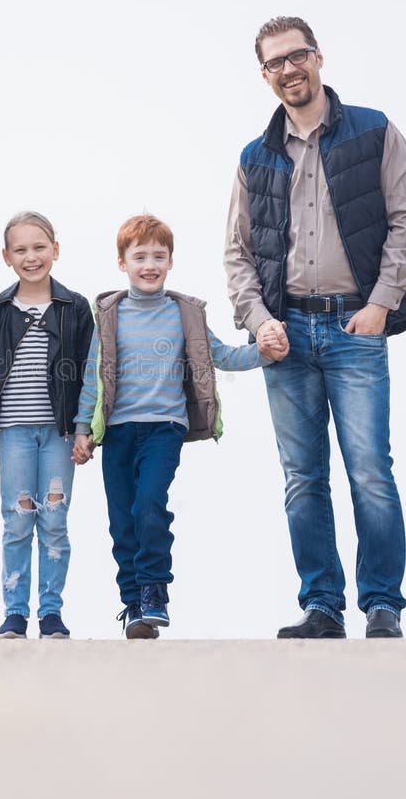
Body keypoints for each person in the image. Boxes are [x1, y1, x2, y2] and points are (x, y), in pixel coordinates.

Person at [224, 16, 406, 639]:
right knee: (302, 478)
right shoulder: (254, 158)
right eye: (275, 63)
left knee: (369, 469)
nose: (289, 69)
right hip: (286, 337)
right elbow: (237, 254)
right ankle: (322, 606)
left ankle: (383, 606)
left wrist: (380, 305)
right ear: (264, 75)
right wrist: (258, 322)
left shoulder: (373, 130)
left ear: (318, 57)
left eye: (297, 55)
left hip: (355, 327)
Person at [73, 214, 272, 638]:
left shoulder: (185, 314)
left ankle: (154, 591)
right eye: (139, 256)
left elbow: (222, 355)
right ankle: (132, 606)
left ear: (171, 262)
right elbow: (93, 376)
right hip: (119, 431)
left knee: (149, 504)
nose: (150, 265)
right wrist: (82, 429)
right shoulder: (108, 315)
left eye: (158, 256)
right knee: (121, 521)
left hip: (165, 428)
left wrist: (265, 353)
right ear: (121, 262)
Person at [0, 212, 93, 639]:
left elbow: (89, 370)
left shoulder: (74, 307)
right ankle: (13, 612)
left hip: (61, 431)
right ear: (7, 257)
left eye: (39, 247)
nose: (31, 257)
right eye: (21, 250)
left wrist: (84, 427)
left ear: (56, 250)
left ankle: (50, 612)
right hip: (13, 429)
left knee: (55, 517)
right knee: (18, 517)